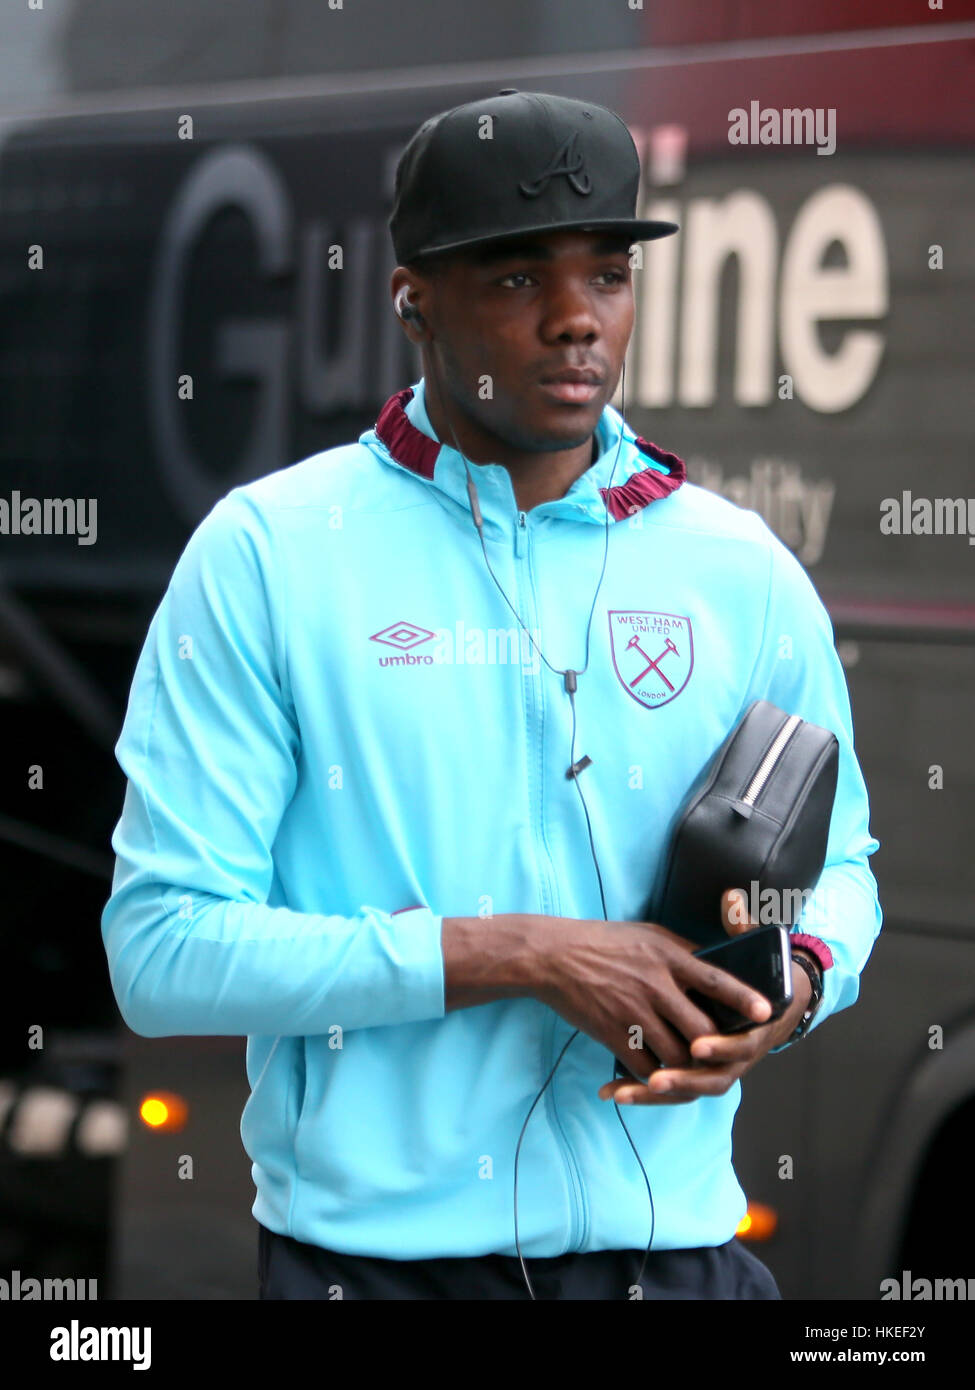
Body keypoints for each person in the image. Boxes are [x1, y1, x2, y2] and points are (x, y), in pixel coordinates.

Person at [100, 90, 882, 1301]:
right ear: (412, 298)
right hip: (379, 1275)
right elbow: (161, 953)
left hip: (683, 1270)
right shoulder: (268, 555)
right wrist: (519, 953)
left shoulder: (742, 570)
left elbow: (846, 870)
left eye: (609, 274)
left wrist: (794, 989)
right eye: (518, 278)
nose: (578, 319)